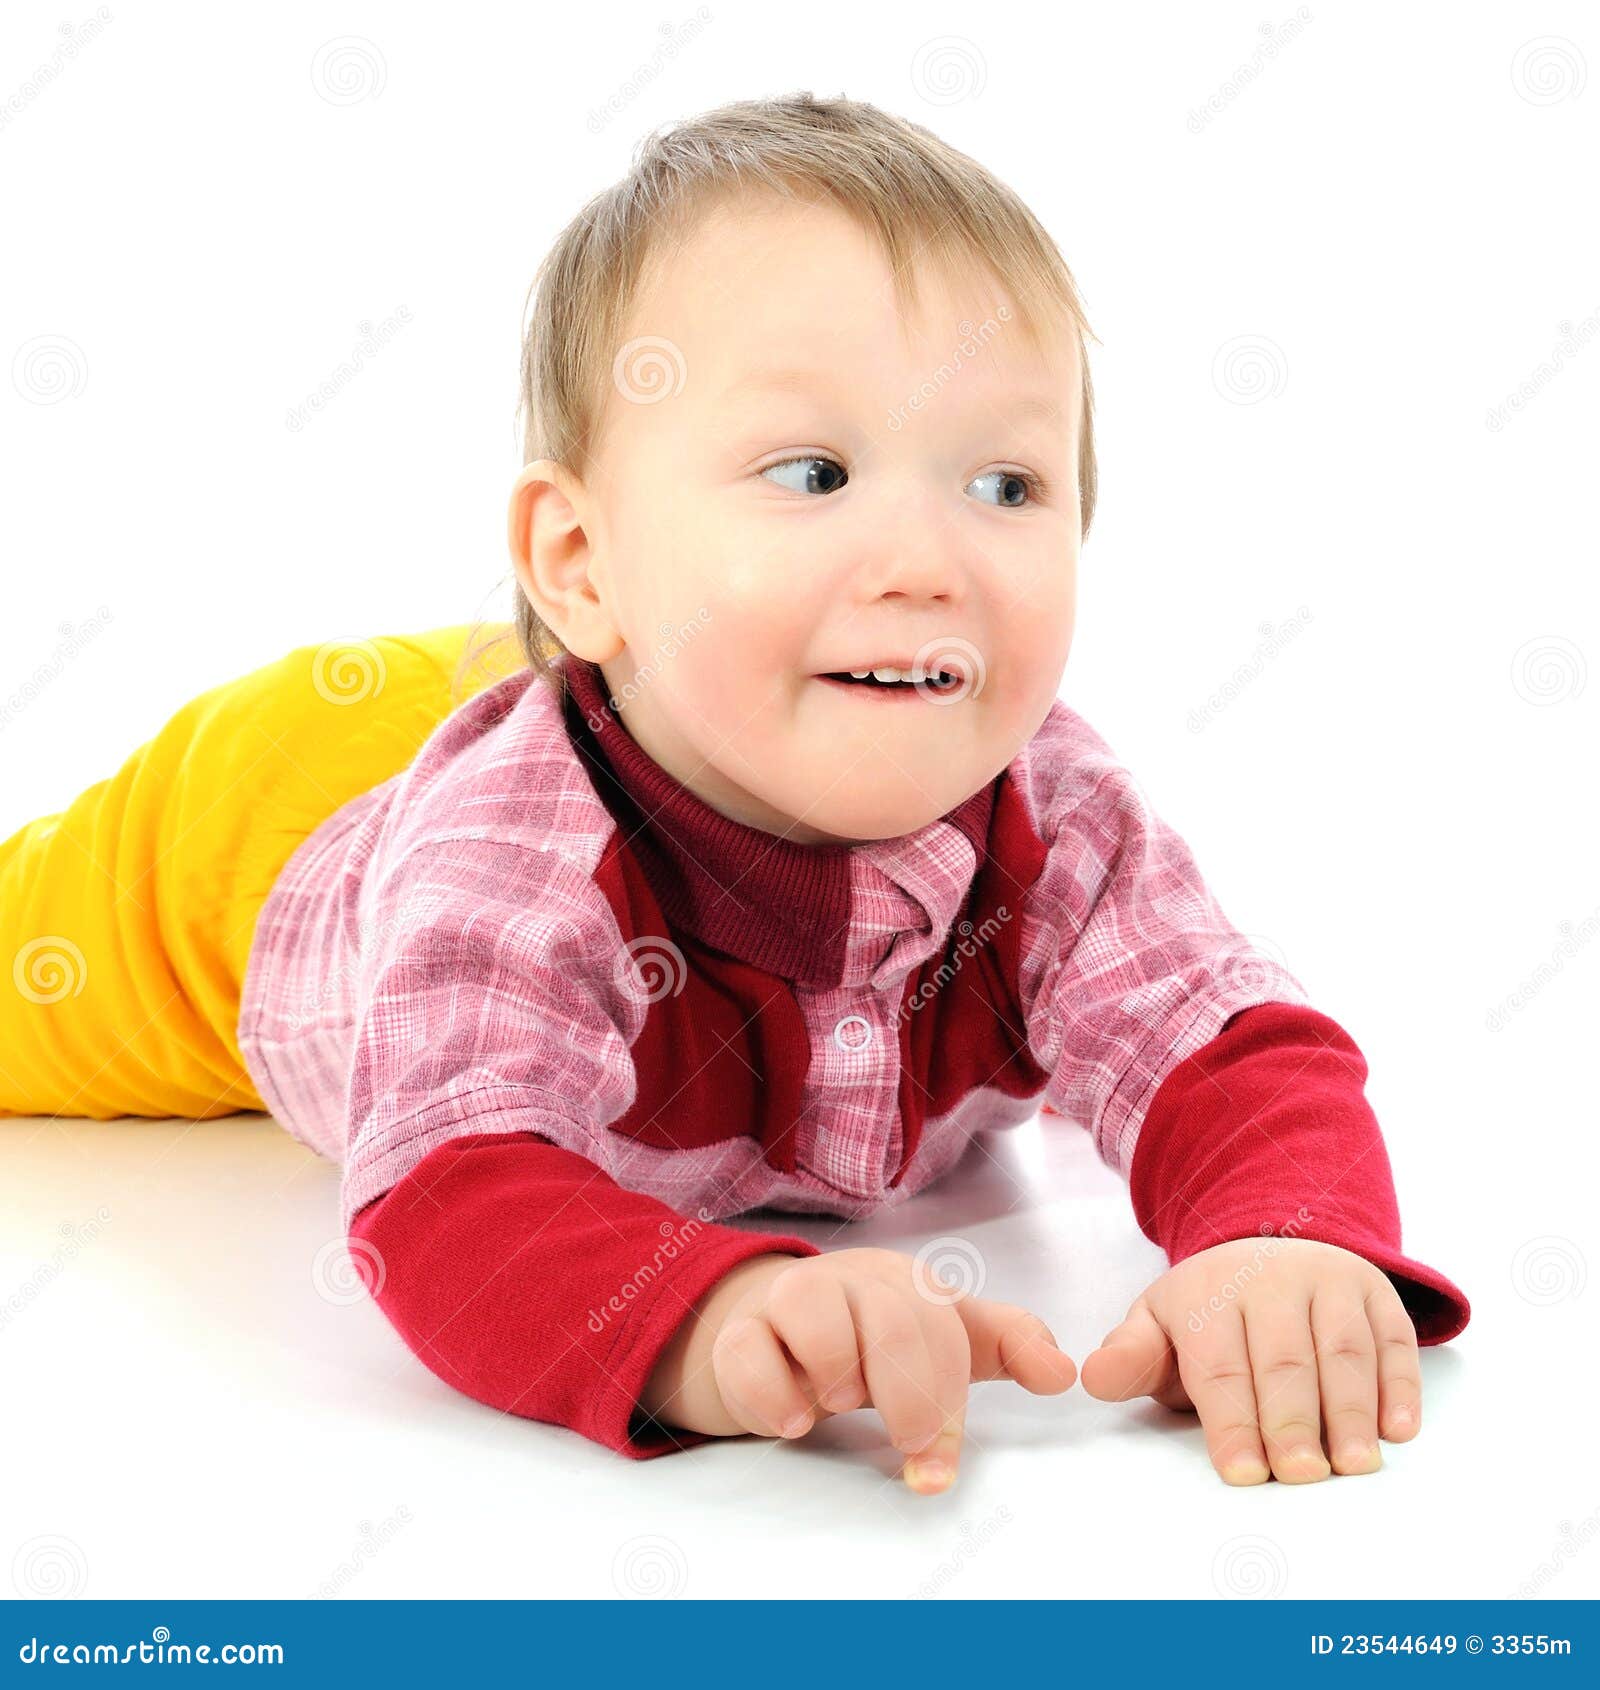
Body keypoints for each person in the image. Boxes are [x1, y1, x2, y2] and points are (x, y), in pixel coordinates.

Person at [0, 92, 1467, 1495]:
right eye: (816, 469)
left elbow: (1227, 1044)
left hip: (655, 679)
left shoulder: (1056, 811)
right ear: (580, 563)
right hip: (269, 828)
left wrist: (1287, 1237)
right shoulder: (517, 860)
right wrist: (703, 1317)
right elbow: (450, 1194)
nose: (927, 560)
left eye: (1008, 486)